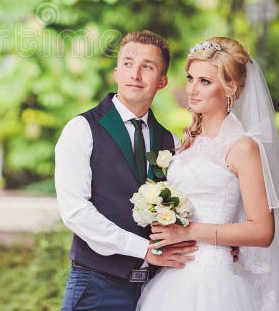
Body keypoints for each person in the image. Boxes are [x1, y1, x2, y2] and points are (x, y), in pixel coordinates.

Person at [137, 37, 279, 311]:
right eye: (190, 78)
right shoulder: (187, 141)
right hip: (175, 277)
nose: (192, 90)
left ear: (230, 87)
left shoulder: (243, 146)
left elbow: (262, 230)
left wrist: (189, 231)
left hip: (214, 281)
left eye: (205, 81)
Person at [55, 30, 197, 311]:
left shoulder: (172, 142)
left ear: (162, 81)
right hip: (96, 286)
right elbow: (75, 211)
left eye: (148, 67)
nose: (136, 74)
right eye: (129, 64)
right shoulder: (81, 130)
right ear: (116, 72)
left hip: (158, 290)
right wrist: (141, 249)